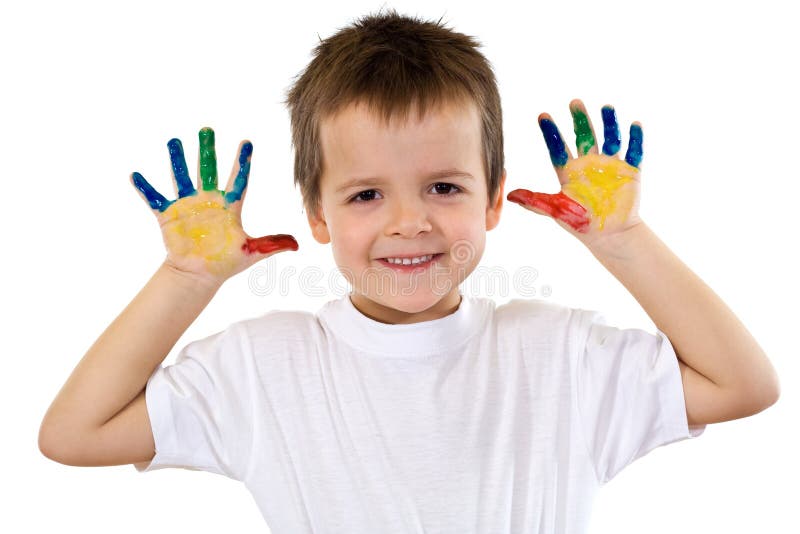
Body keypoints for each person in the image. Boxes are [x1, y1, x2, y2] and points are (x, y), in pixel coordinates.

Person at [38, 8, 780, 533]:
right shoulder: (265, 367)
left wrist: (625, 239)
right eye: (366, 194)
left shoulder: (558, 355)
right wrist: (187, 279)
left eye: (444, 187)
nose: (410, 222)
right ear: (317, 214)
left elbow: (743, 385)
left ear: (494, 198)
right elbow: (74, 435)